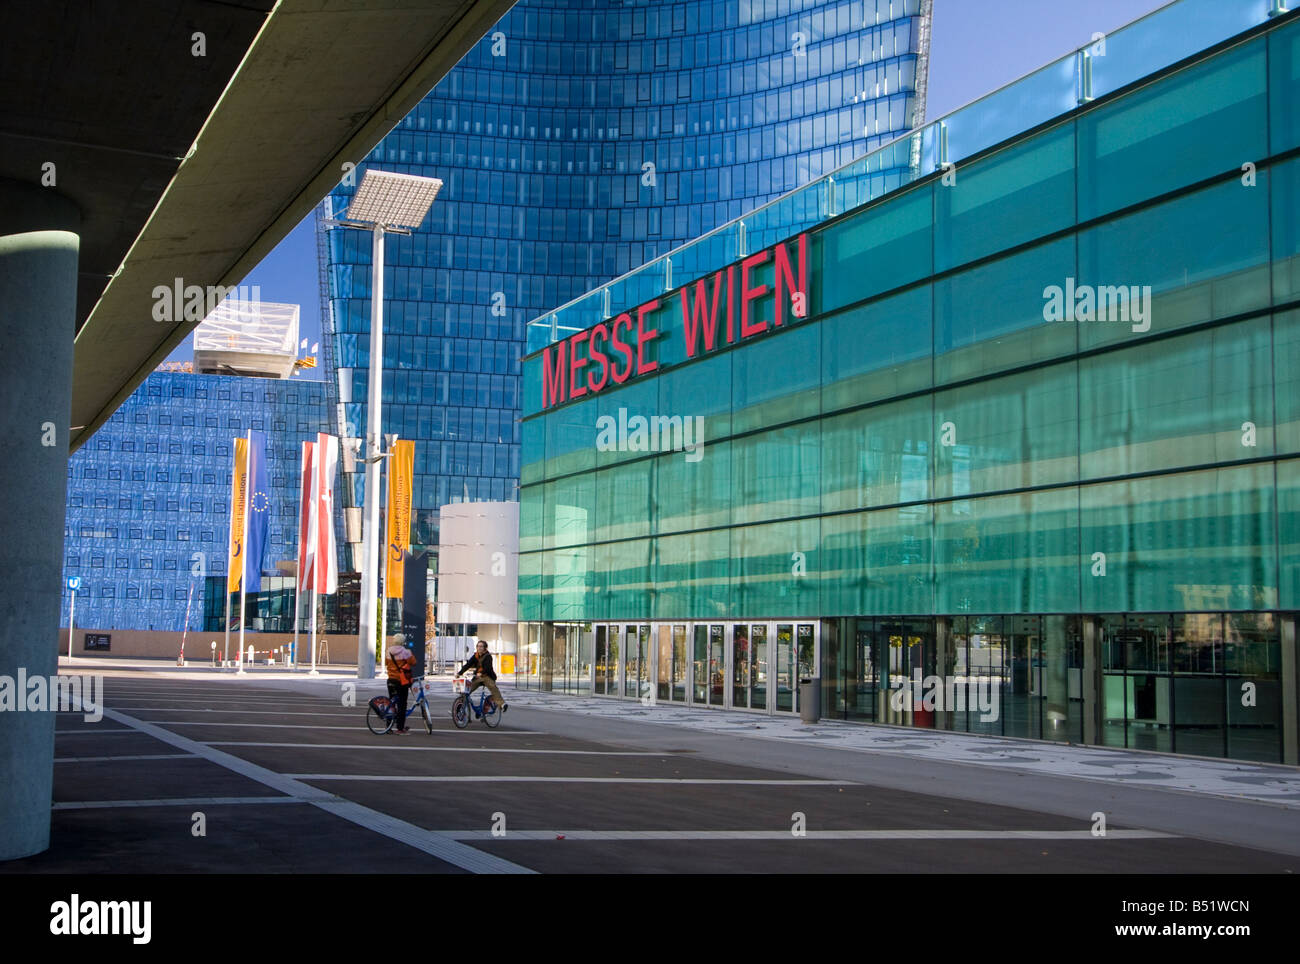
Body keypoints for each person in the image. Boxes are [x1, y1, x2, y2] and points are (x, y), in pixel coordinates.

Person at [458, 639, 507, 713]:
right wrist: (459, 673)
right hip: (478, 677)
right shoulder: (476, 656)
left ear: (485, 648)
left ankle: (502, 704)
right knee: (466, 690)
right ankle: (460, 707)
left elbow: (488, 668)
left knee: (493, 688)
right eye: (478, 646)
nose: (479, 648)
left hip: (487, 676)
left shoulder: (488, 656)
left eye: (481, 646)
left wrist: (481, 673)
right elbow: (468, 665)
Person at [385, 638, 416, 734]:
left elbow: (386, 663)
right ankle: (400, 728)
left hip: (391, 680)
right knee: (402, 704)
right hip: (402, 681)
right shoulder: (406, 652)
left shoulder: (388, 651)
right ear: (403, 642)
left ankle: (388, 727)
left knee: (391, 703)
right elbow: (413, 662)